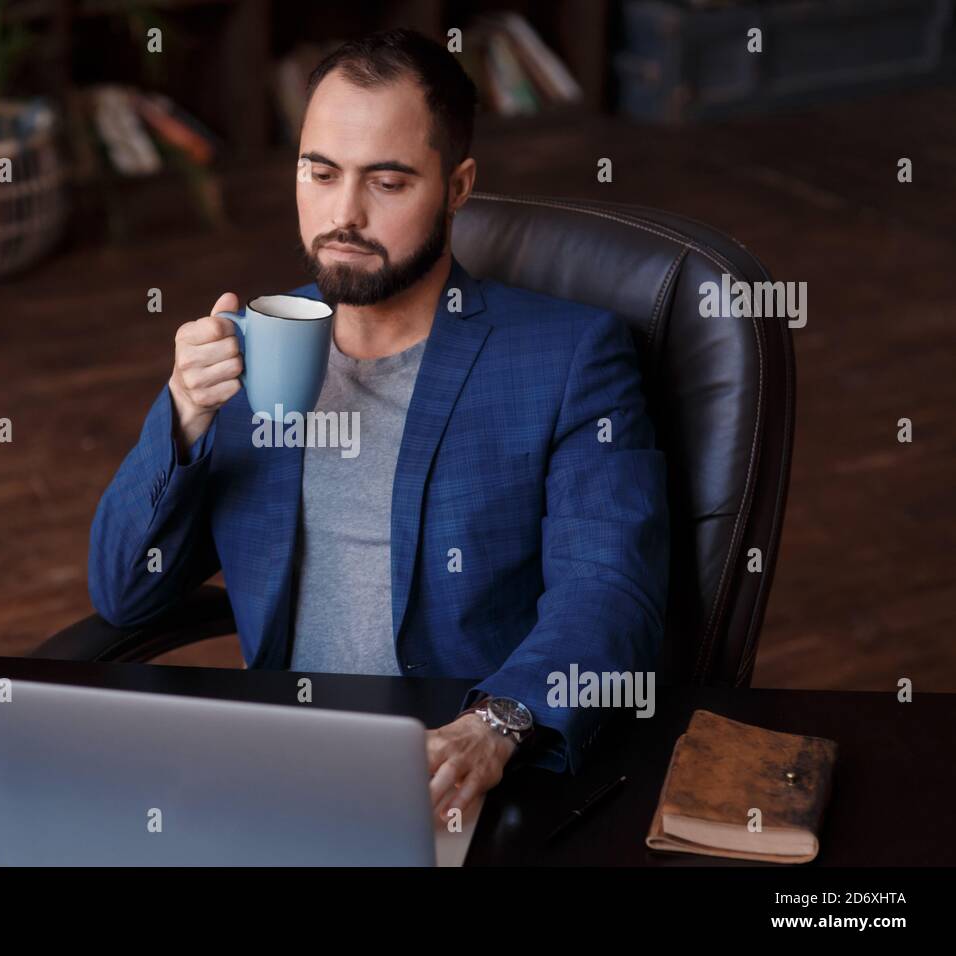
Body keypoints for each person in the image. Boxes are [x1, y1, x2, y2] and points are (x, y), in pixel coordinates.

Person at [89, 29, 669, 821]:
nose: (345, 214)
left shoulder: (571, 358)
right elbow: (126, 596)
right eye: (320, 174)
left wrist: (492, 727)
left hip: (456, 779)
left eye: (388, 182)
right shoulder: (253, 350)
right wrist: (184, 419)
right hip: (276, 774)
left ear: (457, 186)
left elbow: (610, 591)